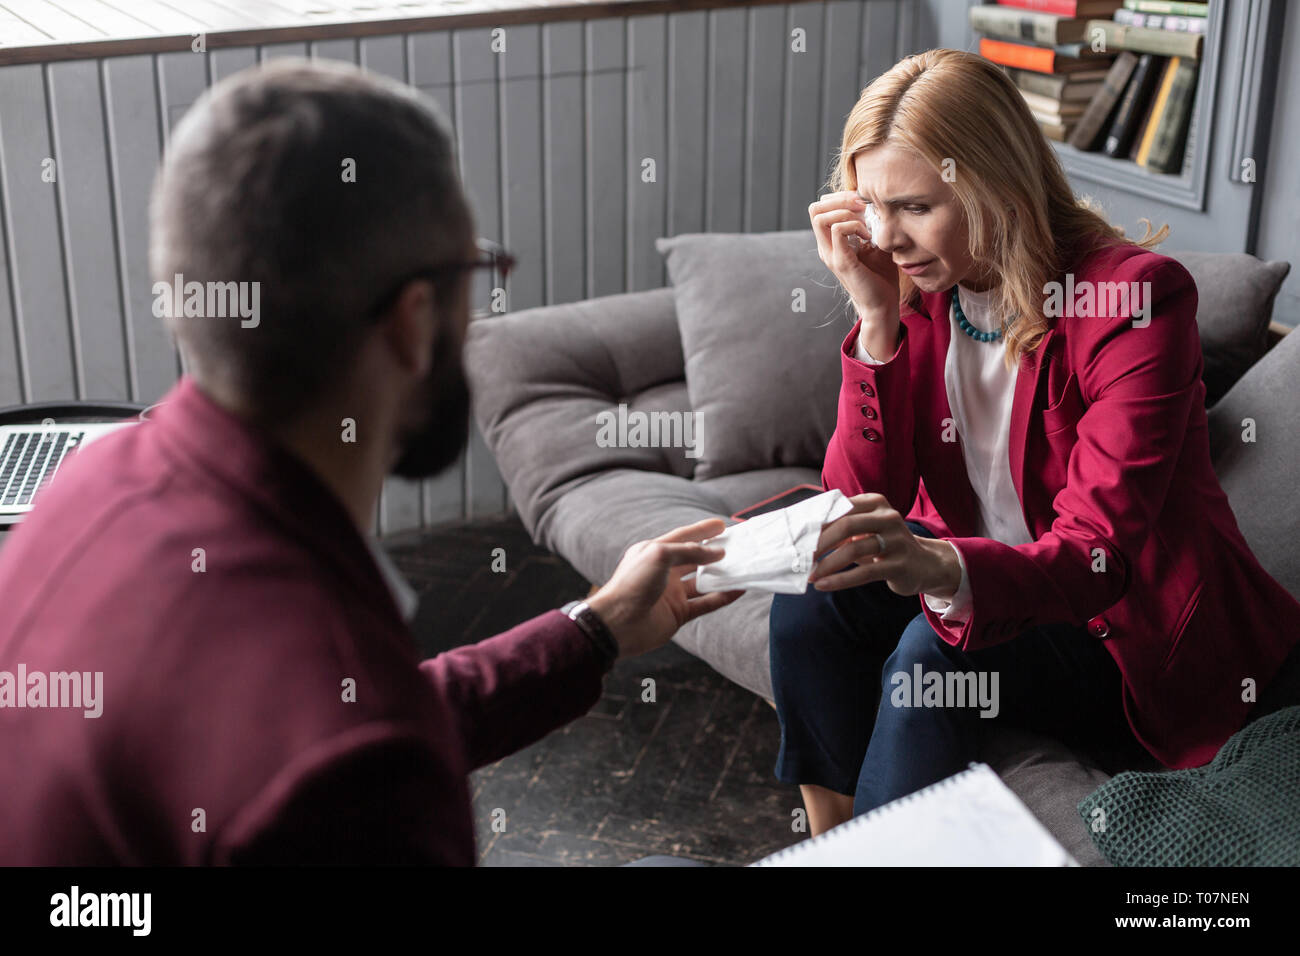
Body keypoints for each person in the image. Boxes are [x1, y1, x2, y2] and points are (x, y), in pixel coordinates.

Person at [0, 59, 742, 865]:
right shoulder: (356, 772)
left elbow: (333, 717)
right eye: (475, 270)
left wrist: (590, 633)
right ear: (413, 319)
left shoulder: (91, 482)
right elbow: (351, 746)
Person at [770, 48, 1300, 836]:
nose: (885, 236)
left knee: (930, 661)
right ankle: (828, 842)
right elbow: (856, 497)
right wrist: (876, 322)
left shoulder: (1132, 300)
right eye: (869, 205)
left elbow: (1098, 551)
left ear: (994, 184)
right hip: (990, 588)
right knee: (817, 591)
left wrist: (939, 565)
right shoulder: (917, 294)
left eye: (914, 207)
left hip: (1116, 625)